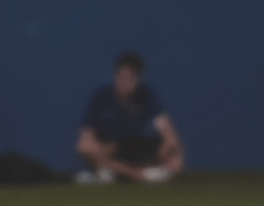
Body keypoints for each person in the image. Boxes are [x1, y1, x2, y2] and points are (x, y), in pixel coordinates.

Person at [75, 51, 183, 183]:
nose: (124, 82)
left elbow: (167, 130)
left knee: (173, 152)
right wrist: (103, 147)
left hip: (135, 148)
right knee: (84, 147)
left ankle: (115, 172)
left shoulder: (147, 96)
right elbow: (86, 136)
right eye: (121, 76)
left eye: (130, 78)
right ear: (114, 75)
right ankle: (136, 174)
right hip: (110, 150)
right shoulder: (101, 97)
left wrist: (173, 151)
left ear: (138, 79)